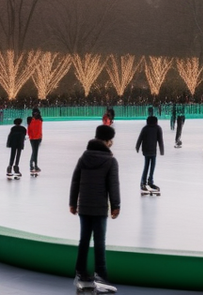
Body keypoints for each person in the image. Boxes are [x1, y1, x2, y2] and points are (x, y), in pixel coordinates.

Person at [70, 124, 120, 293]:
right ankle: (101, 277)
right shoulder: (110, 160)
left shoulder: (83, 157)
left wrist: (72, 203)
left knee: (84, 240)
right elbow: (113, 185)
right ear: (107, 141)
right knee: (99, 242)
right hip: (99, 207)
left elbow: (75, 180)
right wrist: (116, 206)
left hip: (84, 206)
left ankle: (81, 274)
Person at [135, 115, 164, 193]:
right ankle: (149, 181)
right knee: (152, 166)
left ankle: (143, 182)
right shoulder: (158, 128)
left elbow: (140, 138)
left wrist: (137, 147)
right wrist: (161, 150)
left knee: (146, 166)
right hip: (152, 151)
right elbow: (160, 140)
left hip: (146, 150)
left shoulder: (145, 128)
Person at [28, 108, 44, 174]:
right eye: (34, 113)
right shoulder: (30, 120)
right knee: (35, 152)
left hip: (37, 138)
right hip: (33, 138)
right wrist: (30, 136)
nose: (35, 114)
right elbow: (29, 129)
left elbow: (40, 129)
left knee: (35, 152)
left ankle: (33, 165)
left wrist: (40, 137)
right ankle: (33, 165)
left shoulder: (40, 120)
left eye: (36, 113)